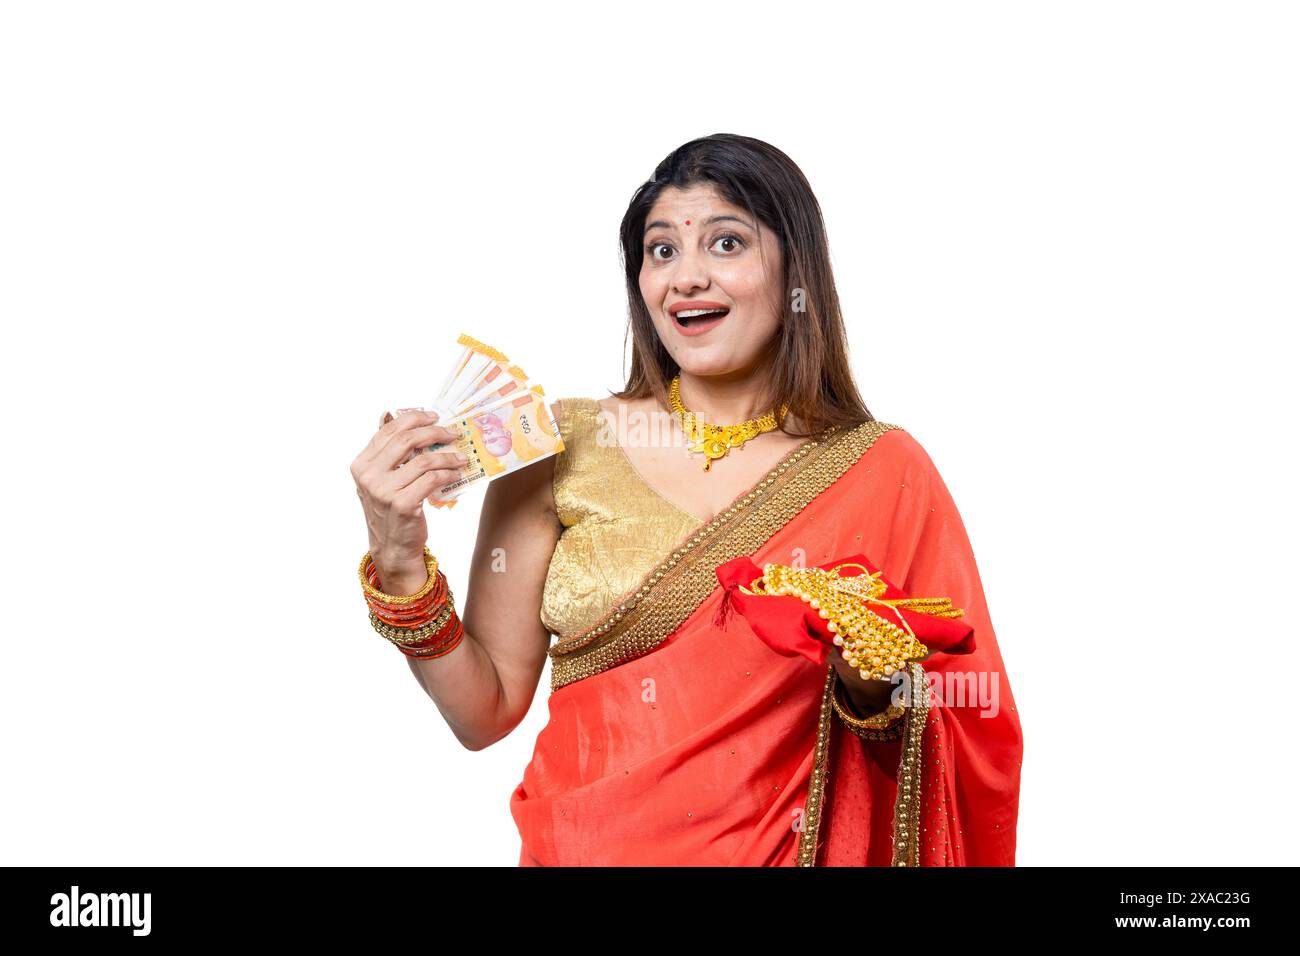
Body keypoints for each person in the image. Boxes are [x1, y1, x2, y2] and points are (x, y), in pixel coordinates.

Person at [350, 133, 1023, 866]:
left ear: (795, 269)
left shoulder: (883, 470)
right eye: (661, 250)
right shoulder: (559, 444)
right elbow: (484, 713)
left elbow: (968, 708)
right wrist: (401, 563)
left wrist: (873, 690)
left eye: (726, 243)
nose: (685, 278)